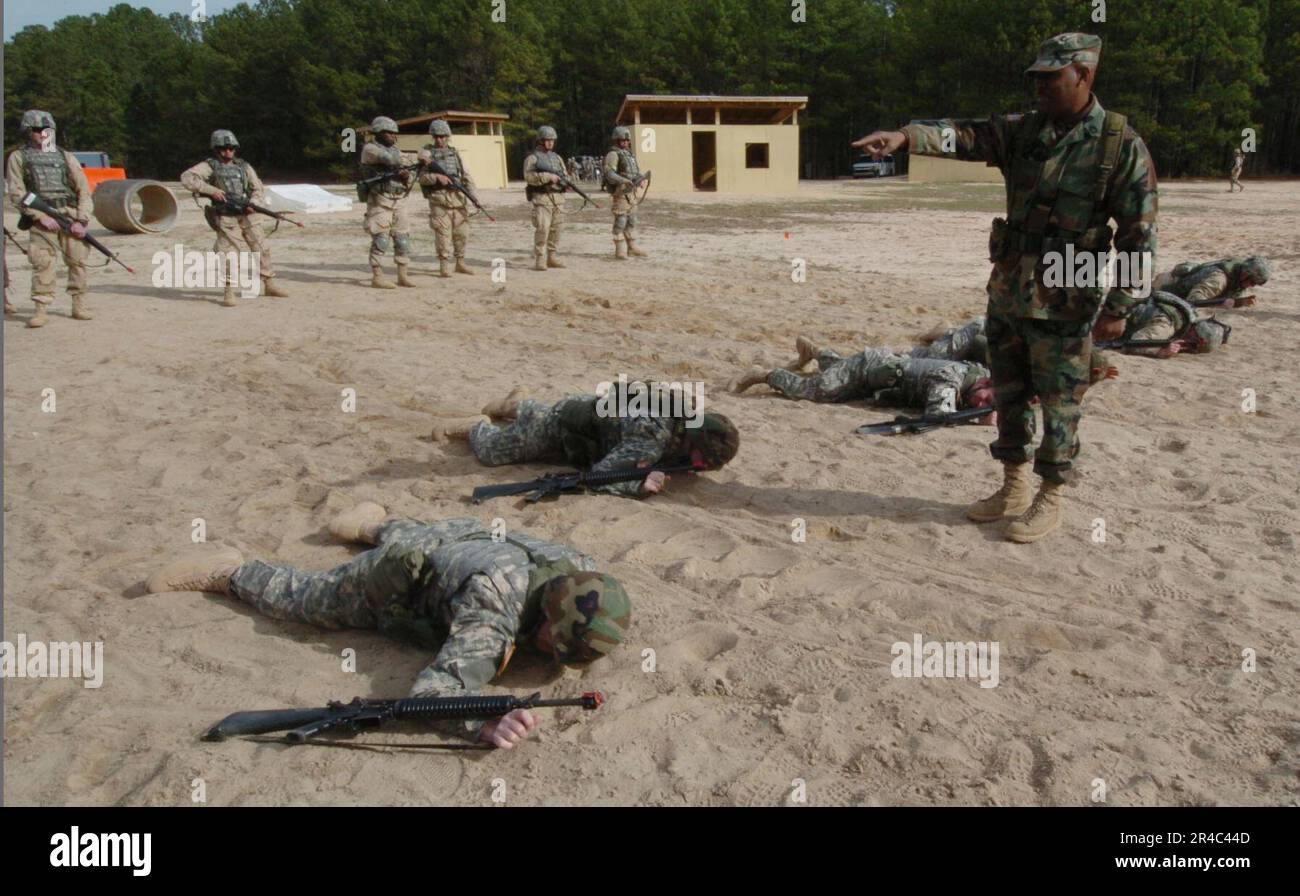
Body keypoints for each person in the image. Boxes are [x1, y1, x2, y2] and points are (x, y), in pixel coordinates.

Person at [853, 32, 1158, 543]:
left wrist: (1120, 306)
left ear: (1083, 75)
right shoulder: (1024, 132)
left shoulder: (1119, 145)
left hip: (1069, 288)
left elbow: (1139, 237)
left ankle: (1051, 496)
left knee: (1061, 399)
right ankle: (1013, 485)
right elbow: (965, 135)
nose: (1038, 88)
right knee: (1010, 393)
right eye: (1034, 78)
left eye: (1050, 78)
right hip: (1011, 288)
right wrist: (907, 137)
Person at [146, 504, 631, 749]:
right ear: (545, 617)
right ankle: (230, 571)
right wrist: (481, 720)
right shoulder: (495, 609)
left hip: (461, 534)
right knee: (309, 601)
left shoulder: (579, 570)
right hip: (408, 573)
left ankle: (373, 523)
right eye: (555, 645)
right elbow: (431, 694)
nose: (552, 656)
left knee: (427, 539)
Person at [441, 384, 740, 498]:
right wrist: (639, 485)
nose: (695, 470)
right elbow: (599, 476)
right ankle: (476, 427)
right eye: (699, 464)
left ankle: (518, 407)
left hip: (588, 417)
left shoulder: (681, 412)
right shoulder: (652, 436)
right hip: (560, 426)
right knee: (492, 454)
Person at [730, 335, 997, 420]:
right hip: (869, 368)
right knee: (820, 392)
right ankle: (764, 374)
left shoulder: (977, 378)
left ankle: (818, 353)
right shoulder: (952, 377)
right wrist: (981, 420)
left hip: (875, 376)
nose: (981, 405)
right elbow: (939, 415)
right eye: (986, 400)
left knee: (838, 377)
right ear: (985, 384)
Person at [4, 110, 94, 328]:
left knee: (77, 262)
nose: (43, 134)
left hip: (69, 216)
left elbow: (83, 189)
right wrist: (39, 216)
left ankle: (79, 305)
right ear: (28, 131)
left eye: (47, 130)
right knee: (43, 263)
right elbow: (17, 192)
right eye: (37, 130)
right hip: (42, 220)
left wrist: (81, 220)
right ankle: (41, 308)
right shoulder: (19, 157)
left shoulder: (65, 156)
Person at [180, 129, 289, 306]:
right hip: (226, 216)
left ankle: (269, 284)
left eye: (231, 148)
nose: (228, 151)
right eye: (224, 148)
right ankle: (229, 290)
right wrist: (211, 190)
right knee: (229, 254)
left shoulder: (244, 166)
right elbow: (187, 178)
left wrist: (253, 203)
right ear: (217, 149)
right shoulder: (210, 166)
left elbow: (258, 188)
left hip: (247, 214)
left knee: (262, 248)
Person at [359, 116, 417, 289]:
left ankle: (402, 276)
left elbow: (410, 172)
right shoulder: (370, 149)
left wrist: (408, 175)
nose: (393, 136)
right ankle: (377, 277)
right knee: (381, 239)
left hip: (399, 200)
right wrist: (410, 161)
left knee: (402, 239)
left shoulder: (396, 150)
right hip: (380, 200)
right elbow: (391, 160)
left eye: (394, 133)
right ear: (378, 132)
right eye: (389, 133)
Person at [417, 119, 476, 279]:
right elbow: (421, 178)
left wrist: (473, 196)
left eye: (443, 137)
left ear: (448, 137)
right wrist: (436, 177)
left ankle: (460, 263)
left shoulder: (455, 153)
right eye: (436, 137)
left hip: (458, 199)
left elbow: (465, 175)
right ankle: (444, 265)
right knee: (443, 235)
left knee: (462, 233)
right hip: (439, 200)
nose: (439, 140)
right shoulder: (426, 154)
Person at [523, 126, 568, 271]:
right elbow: (529, 177)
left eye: (552, 140)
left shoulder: (557, 158)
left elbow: (564, 174)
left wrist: (566, 182)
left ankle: (552, 257)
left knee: (557, 229)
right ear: (541, 141)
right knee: (543, 229)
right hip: (542, 198)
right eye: (547, 140)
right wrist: (548, 177)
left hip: (558, 198)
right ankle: (540, 259)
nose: (550, 143)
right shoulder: (533, 158)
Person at [603, 126, 648, 260]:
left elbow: (635, 172)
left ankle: (632, 247)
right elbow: (609, 173)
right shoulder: (613, 154)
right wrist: (623, 180)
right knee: (621, 220)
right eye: (622, 140)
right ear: (616, 140)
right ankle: (620, 249)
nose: (625, 142)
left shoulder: (629, 155)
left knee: (632, 219)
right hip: (621, 192)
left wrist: (640, 179)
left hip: (631, 192)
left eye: (626, 140)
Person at [1155, 256, 1270, 308]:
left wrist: (1239, 302)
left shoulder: (1237, 271)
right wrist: (1225, 303)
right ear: (1245, 274)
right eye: (1252, 282)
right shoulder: (1219, 280)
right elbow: (1194, 301)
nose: (1252, 286)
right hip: (1164, 289)